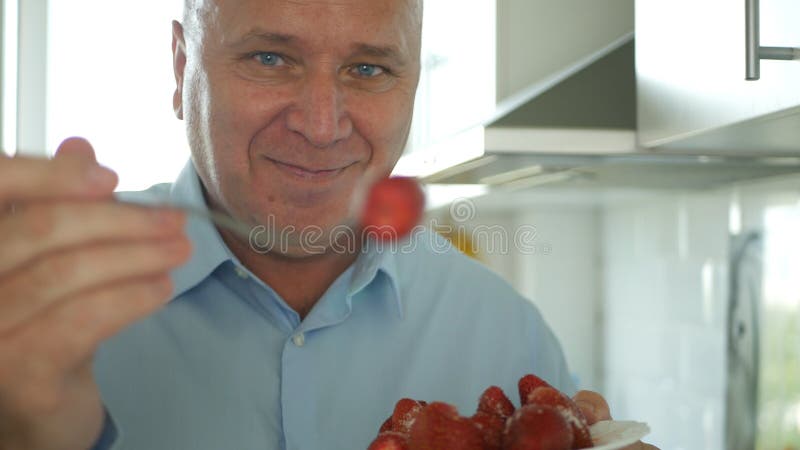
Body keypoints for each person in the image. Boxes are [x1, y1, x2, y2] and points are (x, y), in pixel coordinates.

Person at [0, 0, 658, 449]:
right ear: (181, 66)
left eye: (368, 69)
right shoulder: (30, 299)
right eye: (270, 58)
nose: (321, 125)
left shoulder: (510, 337)